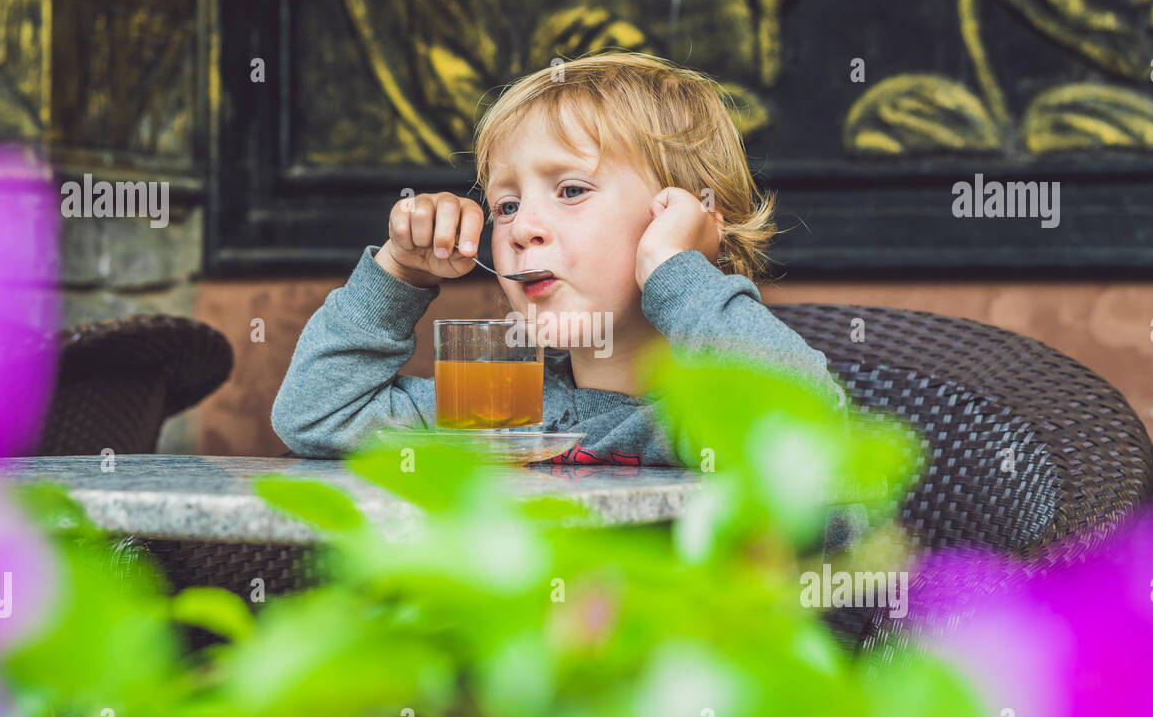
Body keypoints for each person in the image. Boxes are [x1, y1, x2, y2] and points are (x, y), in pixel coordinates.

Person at [271, 52, 845, 466]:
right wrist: (399, 274)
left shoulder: (708, 413)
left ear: (682, 216)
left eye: (571, 190)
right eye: (507, 204)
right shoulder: (500, 411)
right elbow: (318, 416)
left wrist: (675, 266)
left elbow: (798, 424)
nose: (521, 228)